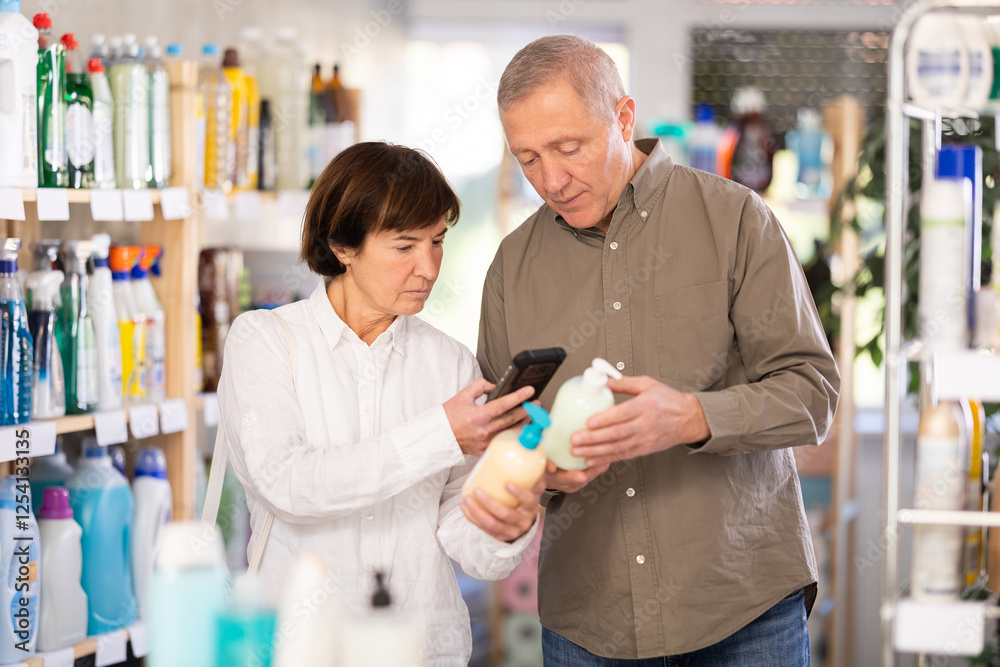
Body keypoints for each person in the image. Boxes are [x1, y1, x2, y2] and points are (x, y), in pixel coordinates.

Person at [479, 35, 840, 665]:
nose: (551, 180)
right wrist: (537, 471)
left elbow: (812, 392)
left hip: (742, 610)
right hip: (589, 623)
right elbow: (503, 429)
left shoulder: (735, 220)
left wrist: (693, 417)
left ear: (623, 118)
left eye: (568, 148)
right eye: (528, 158)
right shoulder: (512, 266)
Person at [218, 142, 543, 666]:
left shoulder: (450, 364)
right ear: (342, 247)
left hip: (423, 651)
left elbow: (470, 546)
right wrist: (440, 435)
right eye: (404, 247)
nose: (429, 267)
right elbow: (287, 483)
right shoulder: (264, 341)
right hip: (304, 650)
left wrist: (509, 522)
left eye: (438, 242)